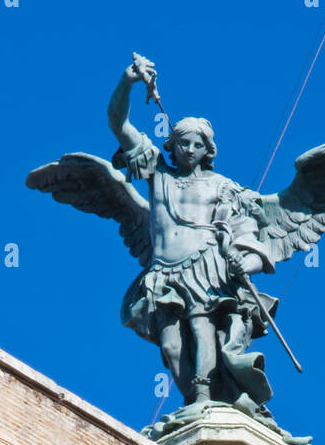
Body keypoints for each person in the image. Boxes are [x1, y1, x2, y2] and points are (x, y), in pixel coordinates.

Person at [107, 54, 278, 412]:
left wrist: (244, 262)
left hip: (205, 267)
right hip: (164, 272)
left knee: (203, 332)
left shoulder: (222, 186)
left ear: (207, 149)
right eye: (183, 142)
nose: (189, 149)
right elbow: (117, 121)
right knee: (170, 346)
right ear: (173, 144)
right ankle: (196, 399)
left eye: (197, 144)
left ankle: (202, 396)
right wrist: (128, 82)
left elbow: (246, 229)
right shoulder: (158, 175)